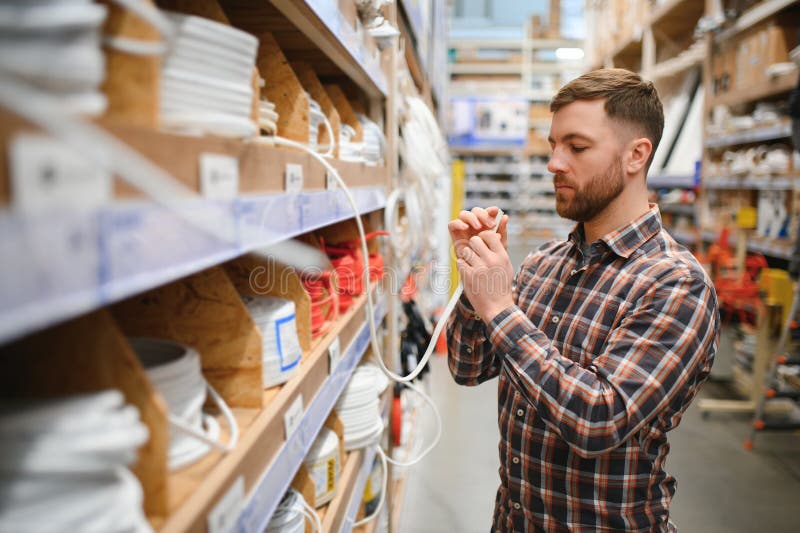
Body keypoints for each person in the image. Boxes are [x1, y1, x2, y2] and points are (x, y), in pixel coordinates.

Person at [447, 68, 719, 532]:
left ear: (636, 155)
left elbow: (597, 419)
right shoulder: (541, 262)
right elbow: (467, 368)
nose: (554, 163)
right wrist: (477, 280)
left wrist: (499, 308)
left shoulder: (675, 284)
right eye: (553, 145)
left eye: (576, 147)